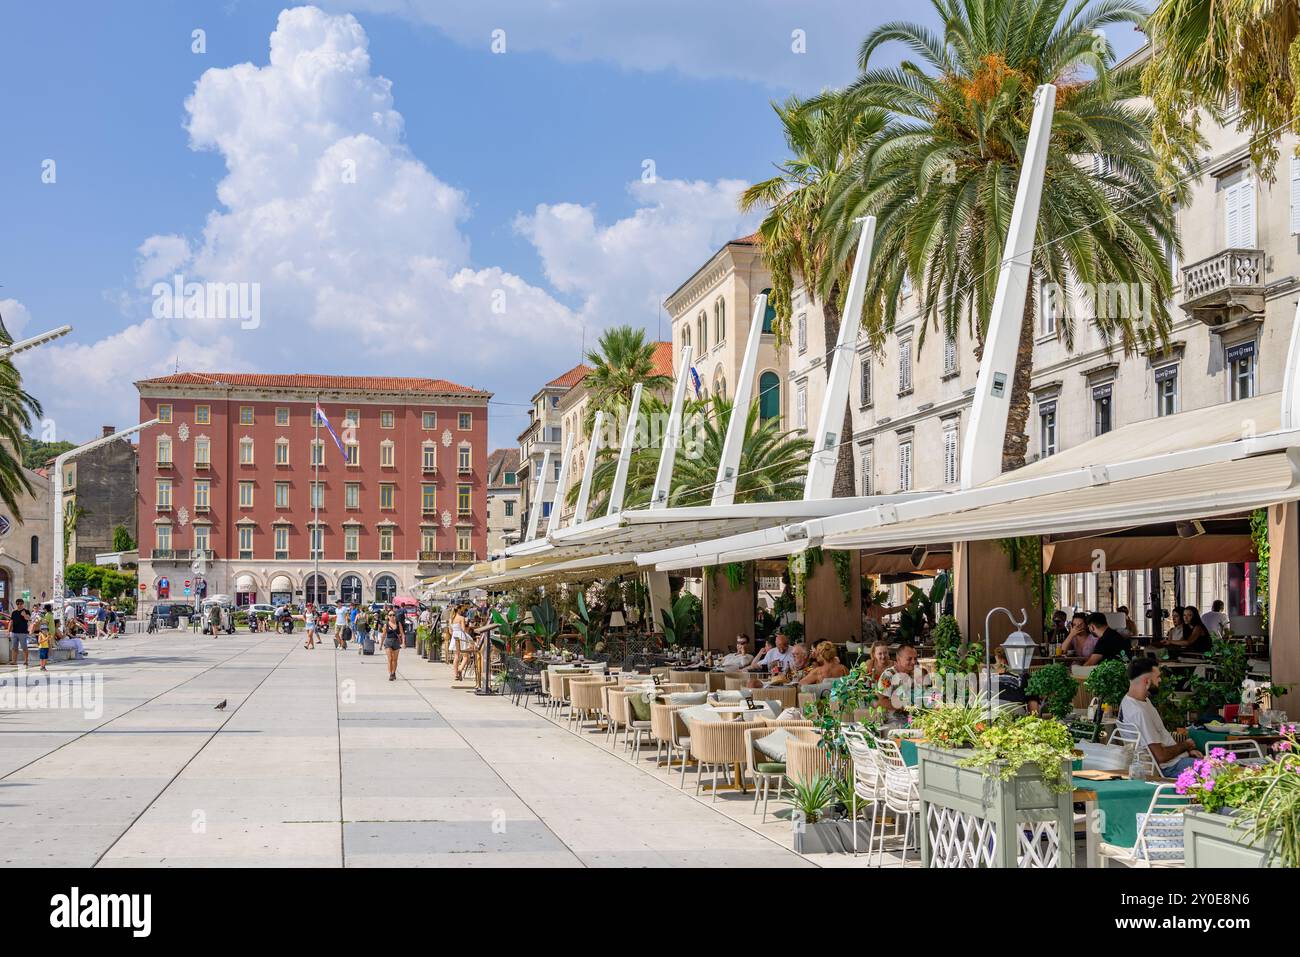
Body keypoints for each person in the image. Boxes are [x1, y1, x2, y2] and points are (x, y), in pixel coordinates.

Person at [1120, 657, 1202, 777]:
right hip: (1170, 768)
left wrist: (1187, 751)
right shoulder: (1139, 712)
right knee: (1223, 770)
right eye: (1158, 677)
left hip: (1176, 761)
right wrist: (1186, 745)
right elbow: (1161, 756)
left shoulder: (1132, 701)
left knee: (1223, 765)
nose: (1160, 680)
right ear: (1146, 682)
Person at [877, 643, 927, 719]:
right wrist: (903, 707)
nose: (913, 662)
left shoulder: (916, 674)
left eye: (915, 658)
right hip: (893, 723)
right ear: (898, 659)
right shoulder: (888, 676)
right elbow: (881, 701)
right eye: (909, 659)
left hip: (914, 720)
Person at [382, 608, 405, 681]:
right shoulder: (386, 624)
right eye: (390, 615)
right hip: (388, 642)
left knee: (395, 659)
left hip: (396, 642)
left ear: (395, 616)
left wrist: (403, 642)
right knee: (390, 659)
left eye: (393, 615)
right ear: (388, 616)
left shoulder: (398, 623)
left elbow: (402, 633)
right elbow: (383, 635)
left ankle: (393, 672)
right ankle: (391, 674)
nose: (392, 616)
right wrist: (381, 644)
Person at [450, 604, 472, 680]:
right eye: (461, 609)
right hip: (461, 637)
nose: (462, 611)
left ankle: (456, 674)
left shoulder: (451, 619)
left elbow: (450, 631)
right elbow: (463, 629)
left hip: (454, 637)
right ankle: (460, 670)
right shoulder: (461, 618)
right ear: (459, 610)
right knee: (466, 656)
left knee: (456, 656)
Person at [10, 598, 31, 667]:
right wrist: (8, 630)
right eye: (18, 604)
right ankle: (14, 661)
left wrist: (24, 615)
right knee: (14, 647)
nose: (19, 605)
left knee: (24, 647)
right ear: (16, 604)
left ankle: (26, 661)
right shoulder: (14, 612)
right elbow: (11, 622)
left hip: (23, 632)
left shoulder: (26, 611)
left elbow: (29, 619)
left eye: (21, 604)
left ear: (23, 604)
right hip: (14, 632)